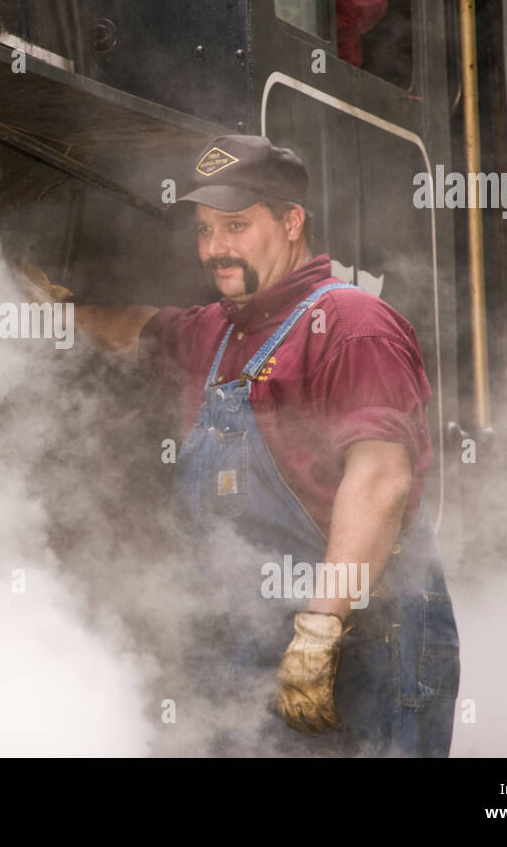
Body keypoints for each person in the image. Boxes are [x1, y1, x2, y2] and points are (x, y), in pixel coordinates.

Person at [63, 135, 459, 756]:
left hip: (358, 643)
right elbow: (137, 325)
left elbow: (380, 480)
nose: (216, 248)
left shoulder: (353, 326)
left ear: (292, 222)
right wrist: (53, 314)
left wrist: (321, 628)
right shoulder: (215, 332)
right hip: (248, 647)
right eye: (204, 230)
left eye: (237, 226)